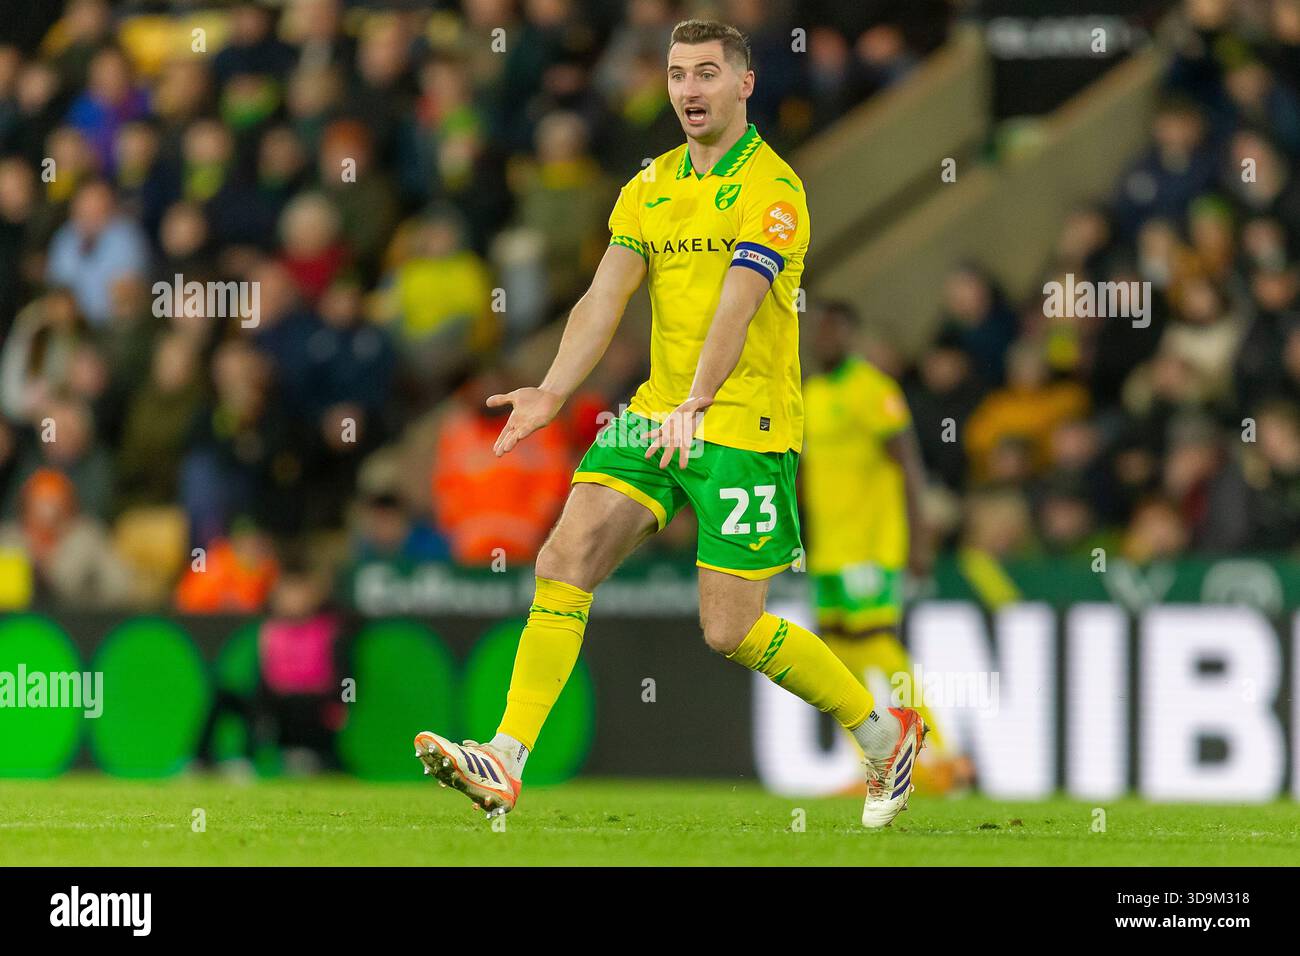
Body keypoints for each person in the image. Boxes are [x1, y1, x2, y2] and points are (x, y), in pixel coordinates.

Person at [414, 19, 926, 829]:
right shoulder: (649, 185)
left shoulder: (775, 191)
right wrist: (550, 390)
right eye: (678, 74)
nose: (689, 90)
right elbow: (604, 297)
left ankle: (881, 733)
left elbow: (740, 299)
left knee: (731, 629)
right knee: (564, 554)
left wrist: (698, 400)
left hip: (745, 425)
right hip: (658, 414)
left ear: (744, 84)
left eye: (707, 74)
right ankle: (506, 759)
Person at [801, 301, 969, 794]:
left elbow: (909, 467)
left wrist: (919, 539)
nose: (824, 338)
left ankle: (945, 756)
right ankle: (874, 767)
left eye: (835, 330)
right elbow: (806, 473)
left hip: (872, 546)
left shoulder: (873, 390)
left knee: (877, 642)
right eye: (820, 329)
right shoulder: (810, 392)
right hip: (830, 547)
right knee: (835, 654)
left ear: (851, 335)